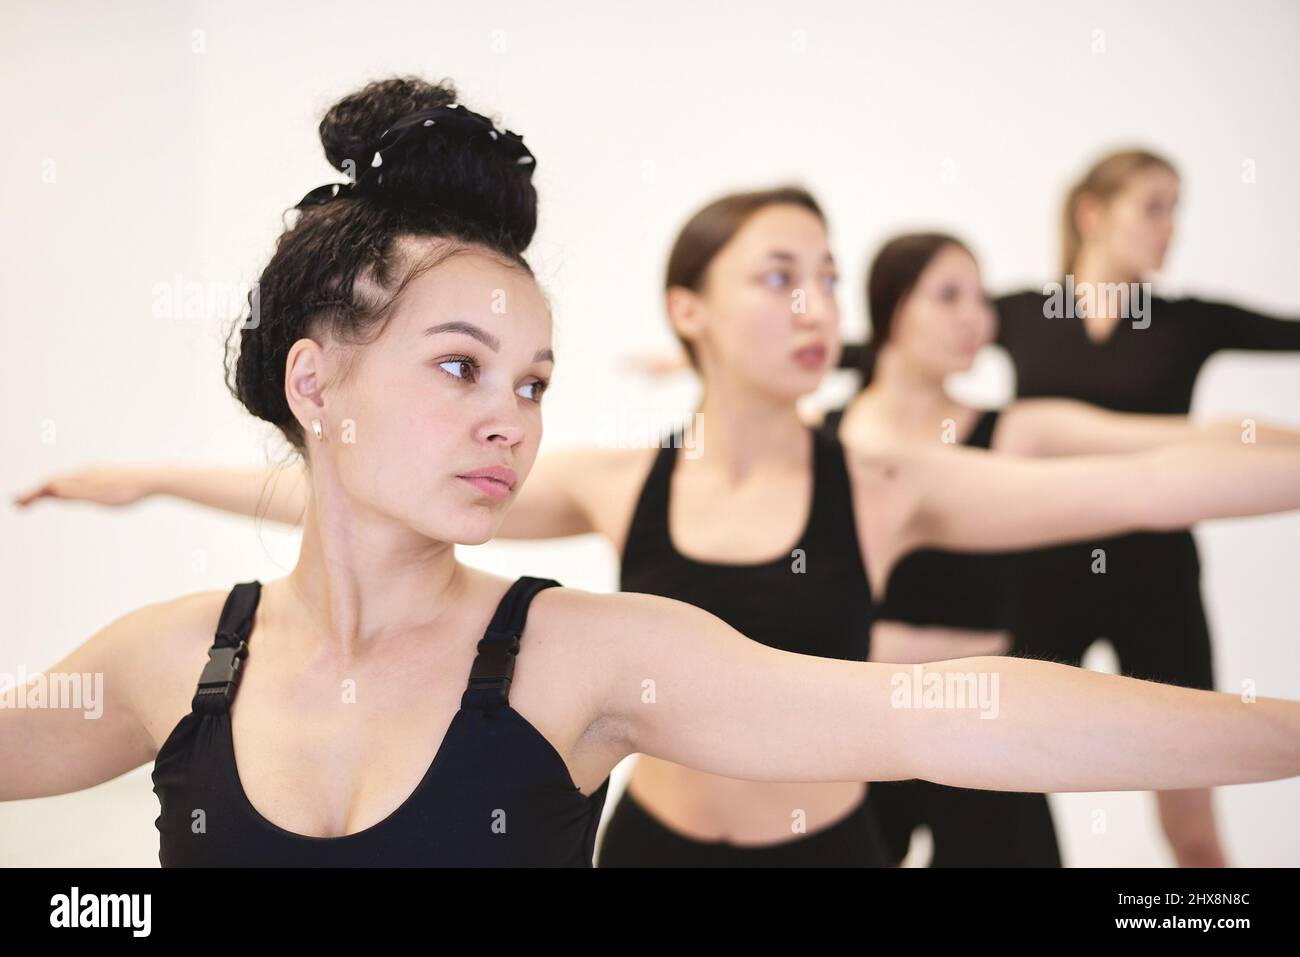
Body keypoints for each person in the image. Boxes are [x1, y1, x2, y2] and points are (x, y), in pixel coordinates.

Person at [16, 143, 1300, 868]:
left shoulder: (586, 650)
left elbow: (947, 709)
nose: (509, 416)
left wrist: (1278, 731)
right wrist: (136, 477)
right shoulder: (175, 658)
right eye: (461, 366)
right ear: (316, 378)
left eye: (532, 382)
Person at [829, 231, 1300, 867]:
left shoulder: (1018, 429)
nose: (978, 318)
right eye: (949, 296)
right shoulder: (823, 441)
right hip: (857, 734)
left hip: (985, 743)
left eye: (980, 297)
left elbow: (1181, 446)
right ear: (892, 308)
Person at [995, 149, 1300, 867]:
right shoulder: (1020, 315)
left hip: (1156, 582)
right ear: (1091, 214)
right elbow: (893, 344)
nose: (1171, 228)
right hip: (1040, 579)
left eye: (1177, 209)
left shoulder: (1188, 322)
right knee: (989, 785)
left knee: (1192, 819)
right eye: (1154, 207)